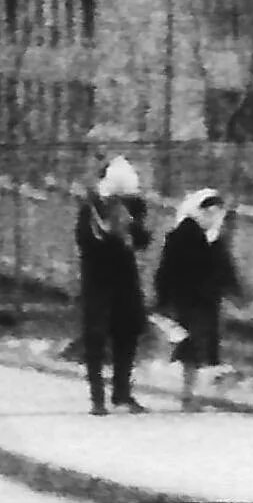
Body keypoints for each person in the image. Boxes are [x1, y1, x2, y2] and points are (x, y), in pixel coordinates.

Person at [153, 188, 243, 411]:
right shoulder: (184, 235)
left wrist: (234, 291)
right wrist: (165, 299)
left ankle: (195, 392)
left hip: (203, 301)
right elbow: (169, 269)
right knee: (191, 347)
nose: (214, 217)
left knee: (199, 347)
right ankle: (188, 393)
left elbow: (222, 267)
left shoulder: (210, 236)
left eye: (217, 212)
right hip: (189, 300)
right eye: (210, 211)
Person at [76, 156, 152, 416]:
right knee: (96, 336)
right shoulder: (91, 208)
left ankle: (122, 391)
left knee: (127, 332)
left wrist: (133, 228)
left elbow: (142, 241)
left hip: (124, 278)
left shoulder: (133, 206)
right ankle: (97, 396)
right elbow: (84, 241)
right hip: (97, 279)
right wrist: (109, 235)